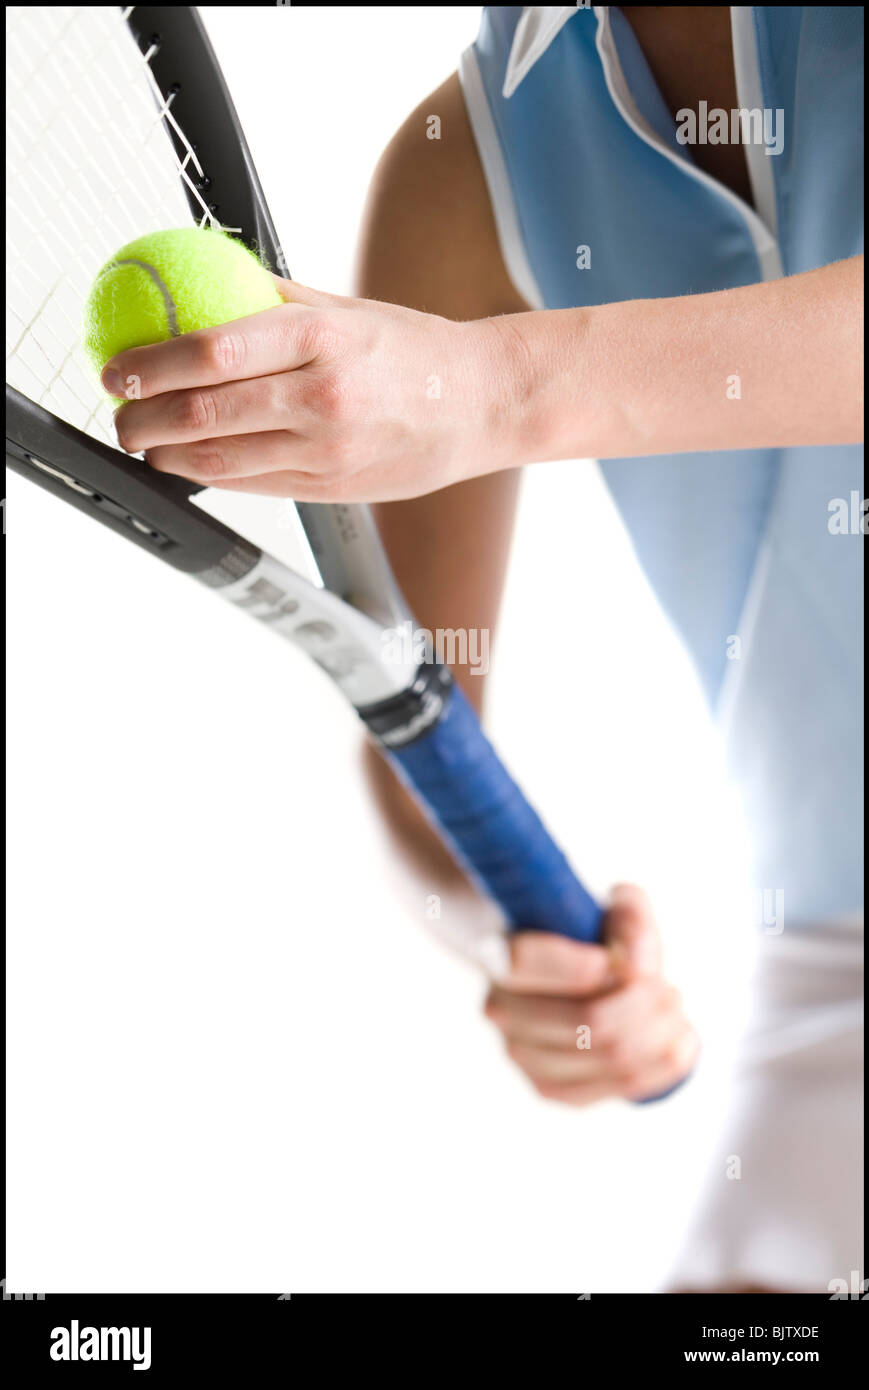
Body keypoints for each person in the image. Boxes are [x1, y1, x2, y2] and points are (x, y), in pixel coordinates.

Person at [105, 8, 863, 1292]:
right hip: (831, 984)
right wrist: (519, 946)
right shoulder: (465, 163)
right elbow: (416, 713)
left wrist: (499, 386)